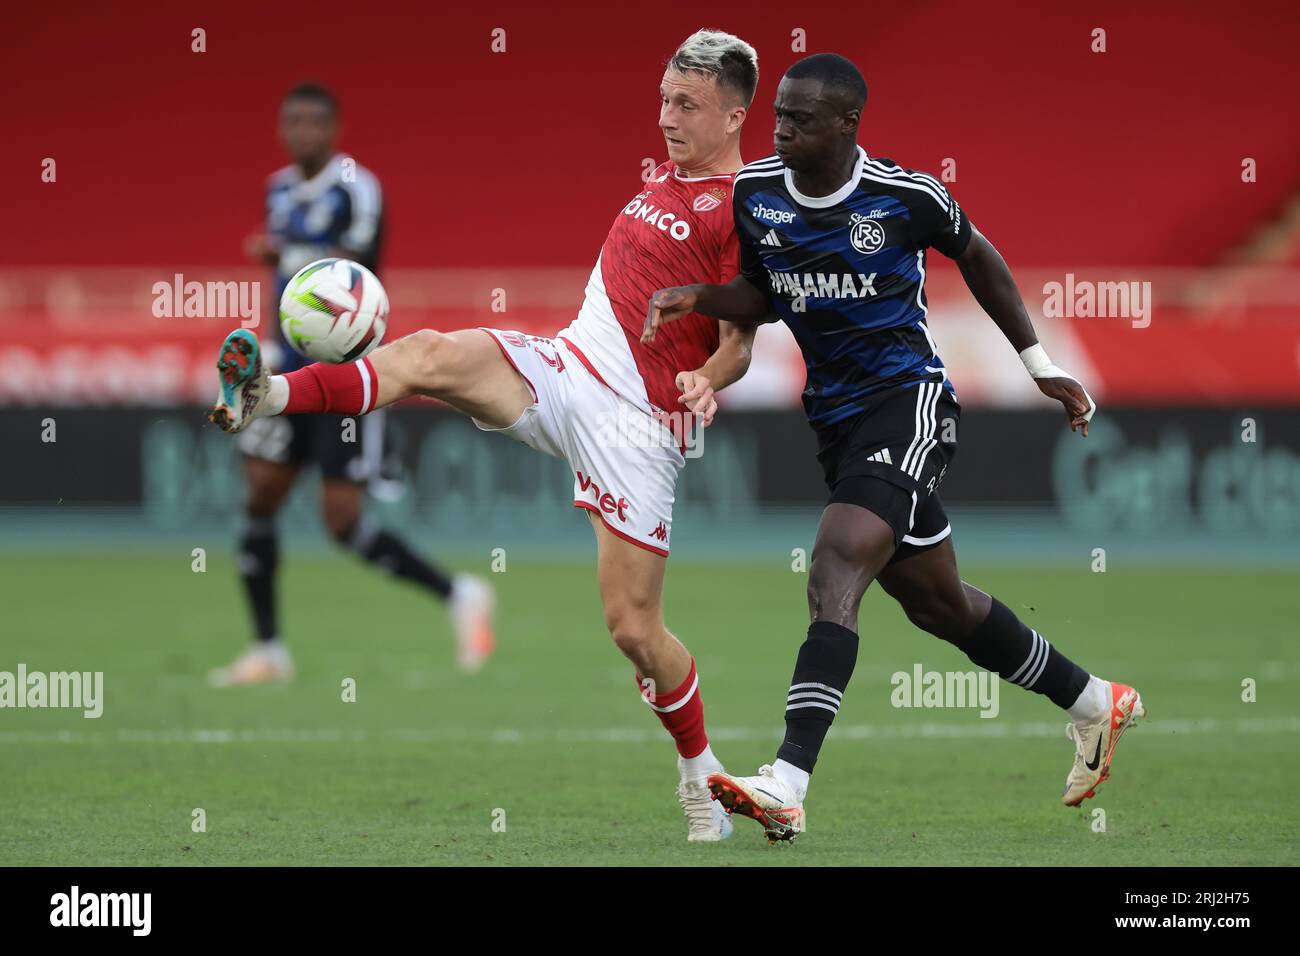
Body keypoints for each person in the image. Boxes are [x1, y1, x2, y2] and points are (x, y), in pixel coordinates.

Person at [209, 33, 762, 841]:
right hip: (566, 367)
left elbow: (742, 337)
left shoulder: (744, 207)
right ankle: (265, 393)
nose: (666, 116)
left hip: (639, 423)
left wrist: (706, 379)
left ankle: (699, 772)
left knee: (634, 631)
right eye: (663, 97)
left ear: (735, 114)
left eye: (687, 104)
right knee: (428, 354)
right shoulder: (662, 182)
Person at [642, 53, 1145, 843]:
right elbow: (764, 295)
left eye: (800, 119)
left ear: (846, 125)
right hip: (836, 421)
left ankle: (787, 781)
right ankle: (1093, 702)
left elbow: (978, 255)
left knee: (837, 561)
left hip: (909, 406)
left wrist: (1039, 365)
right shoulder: (756, 193)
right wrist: (699, 298)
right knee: (938, 602)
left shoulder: (906, 196)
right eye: (777, 114)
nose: (781, 129)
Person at [212, 82, 494, 688]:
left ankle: (459, 593)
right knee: (259, 496)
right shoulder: (277, 187)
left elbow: (355, 261)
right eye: (292, 121)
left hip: (345, 375)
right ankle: (268, 648)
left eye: (314, 121)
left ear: (334, 129)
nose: (302, 132)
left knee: (341, 521)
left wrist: (282, 251)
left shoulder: (355, 186)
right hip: (282, 368)